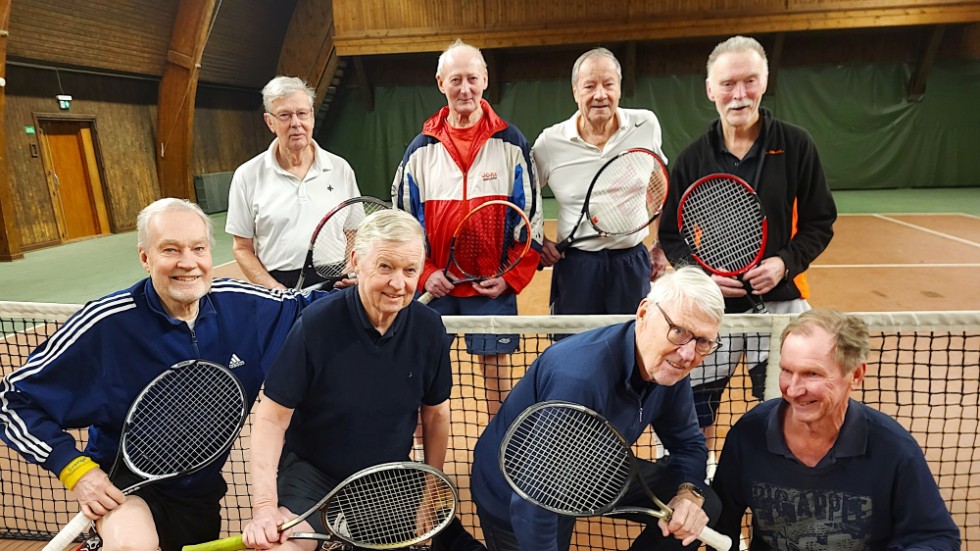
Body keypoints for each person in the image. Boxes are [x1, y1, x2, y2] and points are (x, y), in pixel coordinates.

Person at [0, 198, 331, 551]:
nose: (187, 262)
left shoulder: (245, 307)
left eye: (198, 248)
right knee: (131, 547)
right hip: (125, 485)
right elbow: (12, 402)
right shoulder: (105, 325)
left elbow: (312, 310)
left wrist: (359, 286)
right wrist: (77, 471)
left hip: (199, 493)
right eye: (170, 250)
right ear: (146, 258)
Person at [657, 36, 837, 472]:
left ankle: (782, 485)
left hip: (779, 308)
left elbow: (820, 221)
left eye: (749, 81)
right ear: (710, 89)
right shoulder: (692, 158)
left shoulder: (796, 145)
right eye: (728, 84)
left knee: (794, 405)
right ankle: (691, 485)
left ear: (765, 82)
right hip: (709, 311)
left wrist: (784, 263)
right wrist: (702, 276)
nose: (739, 94)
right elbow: (671, 237)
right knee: (693, 411)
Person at [471, 266, 726, 551]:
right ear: (644, 313)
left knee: (705, 506)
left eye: (703, 341)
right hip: (518, 487)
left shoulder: (671, 366)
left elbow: (689, 445)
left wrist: (689, 494)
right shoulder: (579, 378)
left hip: (596, 464)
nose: (688, 354)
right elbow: (532, 499)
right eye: (678, 331)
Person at [242, 209, 453, 551]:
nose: (398, 284)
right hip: (312, 473)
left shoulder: (429, 329)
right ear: (356, 261)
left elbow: (436, 416)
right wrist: (265, 509)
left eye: (410, 270)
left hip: (387, 476)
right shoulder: (315, 325)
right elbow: (270, 419)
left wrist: (430, 495)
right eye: (385, 267)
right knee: (278, 548)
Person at [712, 309, 960, 550]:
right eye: (787, 370)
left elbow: (937, 537)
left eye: (812, 374)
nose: (793, 390)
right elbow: (722, 523)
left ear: (856, 374)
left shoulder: (894, 449)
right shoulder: (749, 434)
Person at [392, 40, 542, 415]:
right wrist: (425, 273)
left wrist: (509, 278)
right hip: (434, 289)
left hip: (491, 286)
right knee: (420, 381)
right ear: (440, 83)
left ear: (485, 80)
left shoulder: (511, 143)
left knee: (497, 385)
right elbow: (402, 222)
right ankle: (420, 452)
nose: (465, 89)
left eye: (472, 79)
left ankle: (498, 448)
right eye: (455, 79)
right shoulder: (420, 150)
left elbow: (531, 221)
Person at [534, 47, 669, 316]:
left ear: (619, 89)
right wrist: (539, 240)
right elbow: (526, 194)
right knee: (573, 342)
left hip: (631, 263)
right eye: (589, 86)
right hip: (576, 267)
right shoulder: (550, 142)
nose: (600, 94)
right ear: (575, 92)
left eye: (608, 84)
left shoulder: (646, 125)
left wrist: (662, 243)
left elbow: (658, 182)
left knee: (633, 339)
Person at [227, 75, 361, 290]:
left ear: (312, 116)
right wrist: (274, 288)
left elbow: (354, 231)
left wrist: (351, 269)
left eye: (302, 113)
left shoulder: (341, 168)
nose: (296, 123)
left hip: (337, 281)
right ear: (270, 122)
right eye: (285, 115)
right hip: (279, 285)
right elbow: (242, 247)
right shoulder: (246, 176)